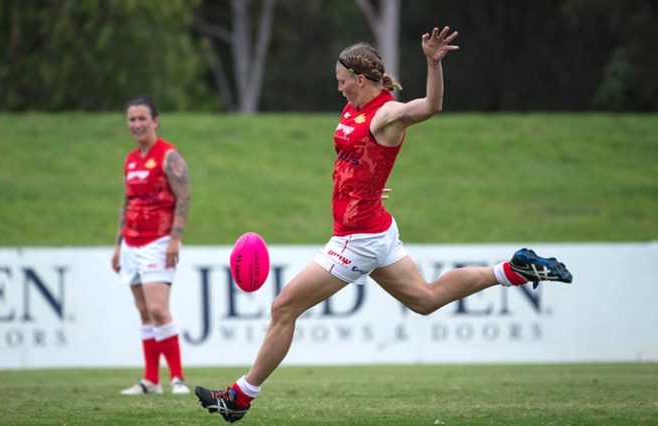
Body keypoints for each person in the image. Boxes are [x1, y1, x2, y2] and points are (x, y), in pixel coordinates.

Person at [195, 26, 572, 422]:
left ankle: (240, 397)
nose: (339, 88)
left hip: (358, 239)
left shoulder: (386, 114)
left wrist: (433, 63)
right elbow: (361, 160)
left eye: (342, 82)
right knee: (425, 300)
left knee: (283, 307)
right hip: (373, 228)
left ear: (360, 79)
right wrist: (369, 187)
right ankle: (513, 270)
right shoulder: (354, 108)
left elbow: (430, 106)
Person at [112, 96, 191, 395]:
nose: (136, 124)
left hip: (158, 241)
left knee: (158, 309)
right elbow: (127, 202)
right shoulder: (131, 160)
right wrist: (119, 245)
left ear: (155, 121)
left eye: (142, 118)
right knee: (144, 311)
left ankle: (178, 378)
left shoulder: (169, 156)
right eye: (131, 119)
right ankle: (151, 381)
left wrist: (175, 239)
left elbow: (183, 197)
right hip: (131, 242)